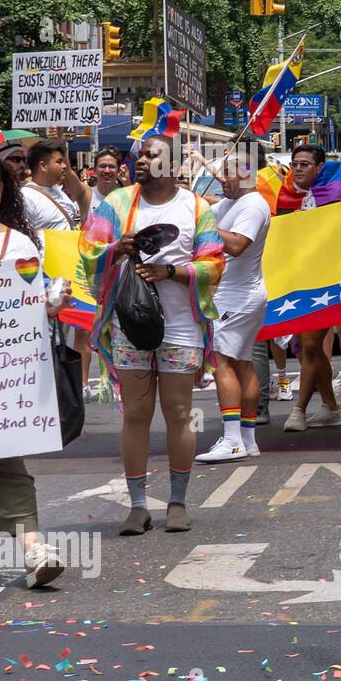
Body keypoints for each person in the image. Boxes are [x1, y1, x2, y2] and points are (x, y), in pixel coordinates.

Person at [79, 134, 224, 535]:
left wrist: (171, 272)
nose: (139, 160)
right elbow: (89, 249)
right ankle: (138, 506)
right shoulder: (117, 204)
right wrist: (116, 249)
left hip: (180, 326)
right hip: (130, 324)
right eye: (139, 154)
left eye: (150, 154)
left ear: (173, 163)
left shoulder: (197, 208)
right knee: (137, 414)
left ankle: (177, 502)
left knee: (178, 413)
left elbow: (213, 263)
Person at [0, 152, 67, 587]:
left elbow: (33, 301)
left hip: (8, 374)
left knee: (8, 461)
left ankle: (34, 550)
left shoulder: (17, 246)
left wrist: (50, 303)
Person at [196, 149, 271, 463]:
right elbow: (212, 202)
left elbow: (238, 245)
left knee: (223, 363)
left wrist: (204, 228)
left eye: (226, 172)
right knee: (242, 364)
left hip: (236, 298)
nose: (220, 179)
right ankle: (248, 439)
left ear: (246, 173)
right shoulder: (233, 200)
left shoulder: (253, 205)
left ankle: (231, 440)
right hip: (236, 295)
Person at [282, 145, 341, 431]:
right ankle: (332, 408)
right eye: (295, 163)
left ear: (319, 168)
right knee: (303, 348)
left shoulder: (339, 196)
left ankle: (298, 410)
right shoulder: (285, 195)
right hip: (297, 278)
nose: (298, 169)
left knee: (310, 344)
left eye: (305, 164)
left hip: (328, 279)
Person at [22, 140, 89, 239]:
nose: (64, 166)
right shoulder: (26, 196)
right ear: (43, 166)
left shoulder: (59, 192)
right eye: (59, 162)